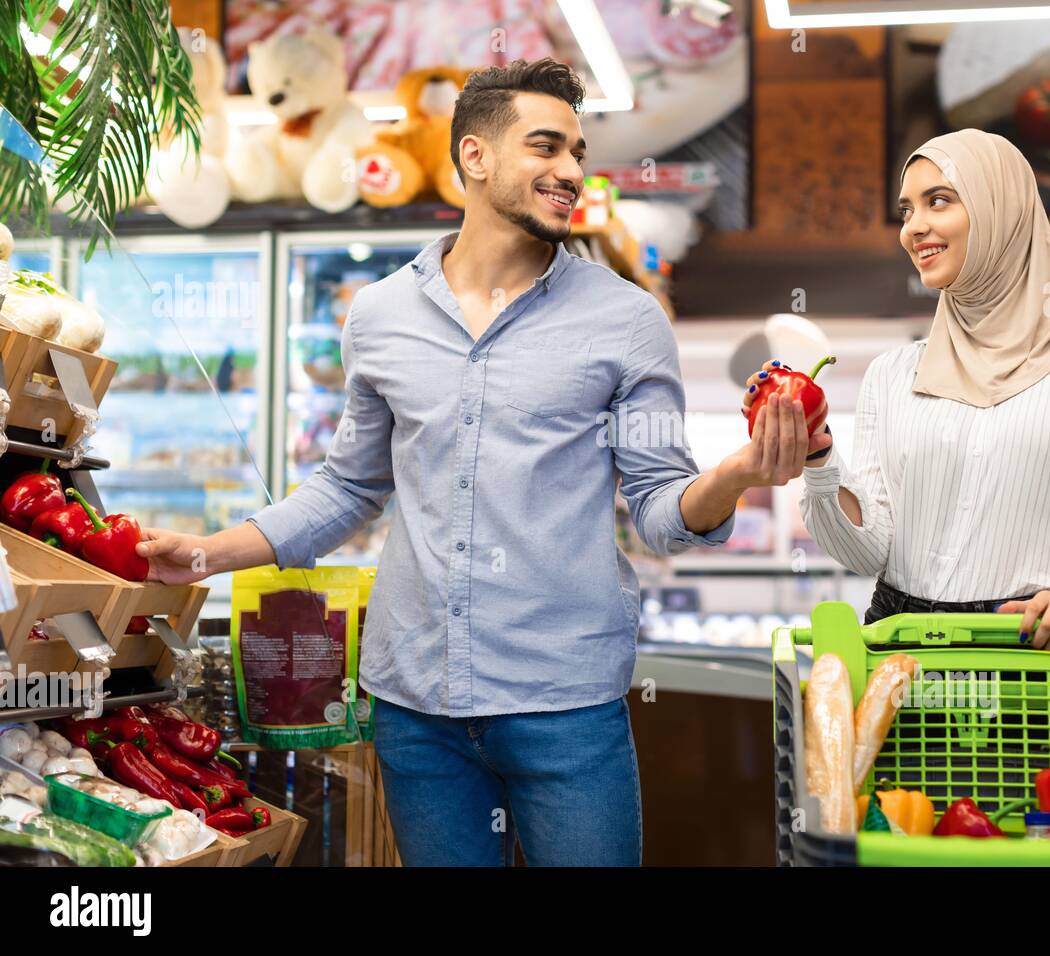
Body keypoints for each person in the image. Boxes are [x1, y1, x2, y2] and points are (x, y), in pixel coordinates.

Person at [135, 58, 812, 866]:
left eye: (577, 154)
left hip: (565, 707)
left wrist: (737, 473)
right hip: (416, 707)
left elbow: (663, 513)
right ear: (474, 156)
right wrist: (208, 552)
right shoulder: (381, 315)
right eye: (546, 147)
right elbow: (348, 486)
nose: (569, 172)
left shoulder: (625, 321)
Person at [742, 128, 1050, 650]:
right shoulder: (892, 375)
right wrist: (819, 457)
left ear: (1002, 209)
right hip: (901, 649)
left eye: (939, 201)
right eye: (907, 210)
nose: (915, 227)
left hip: (1038, 651)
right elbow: (871, 552)